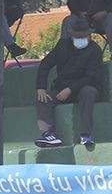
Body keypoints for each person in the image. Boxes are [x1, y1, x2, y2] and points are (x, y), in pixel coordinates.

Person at [34, 15, 104, 148]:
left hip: (85, 87)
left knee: (87, 92)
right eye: (77, 37)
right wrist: (41, 87)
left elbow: (91, 77)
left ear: (89, 36)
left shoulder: (95, 50)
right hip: (62, 88)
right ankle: (49, 134)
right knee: (42, 98)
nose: (80, 40)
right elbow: (45, 64)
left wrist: (70, 89)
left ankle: (86, 134)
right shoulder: (62, 46)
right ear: (71, 36)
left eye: (83, 37)